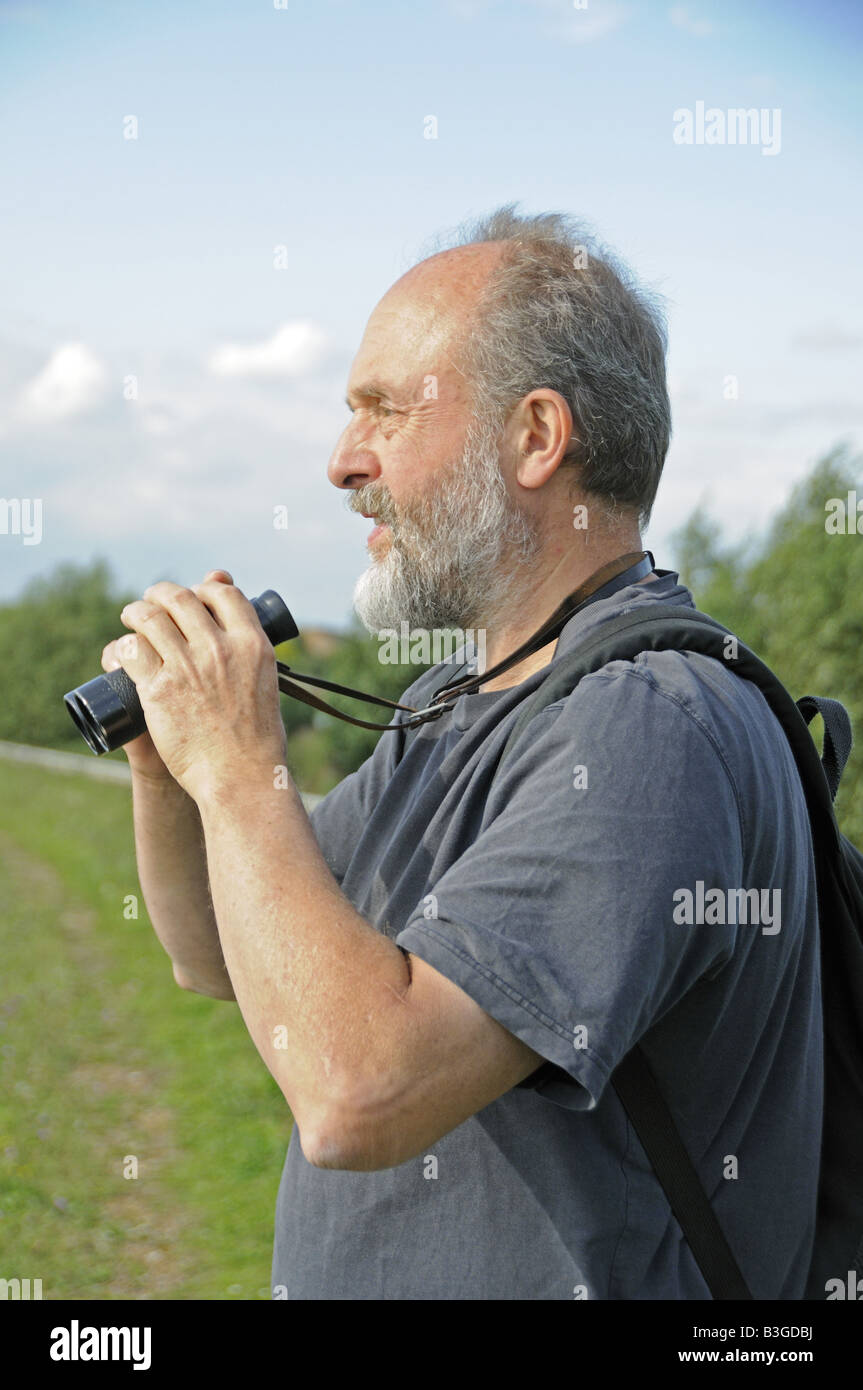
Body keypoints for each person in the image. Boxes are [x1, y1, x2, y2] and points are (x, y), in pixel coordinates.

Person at [104, 206, 822, 1300]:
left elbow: (357, 1092)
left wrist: (245, 769)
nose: (343, 461)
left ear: (535, 437)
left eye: (384, 409)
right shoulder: (458, 697)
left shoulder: (645, 725)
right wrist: (175, 766)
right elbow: (220, 954)